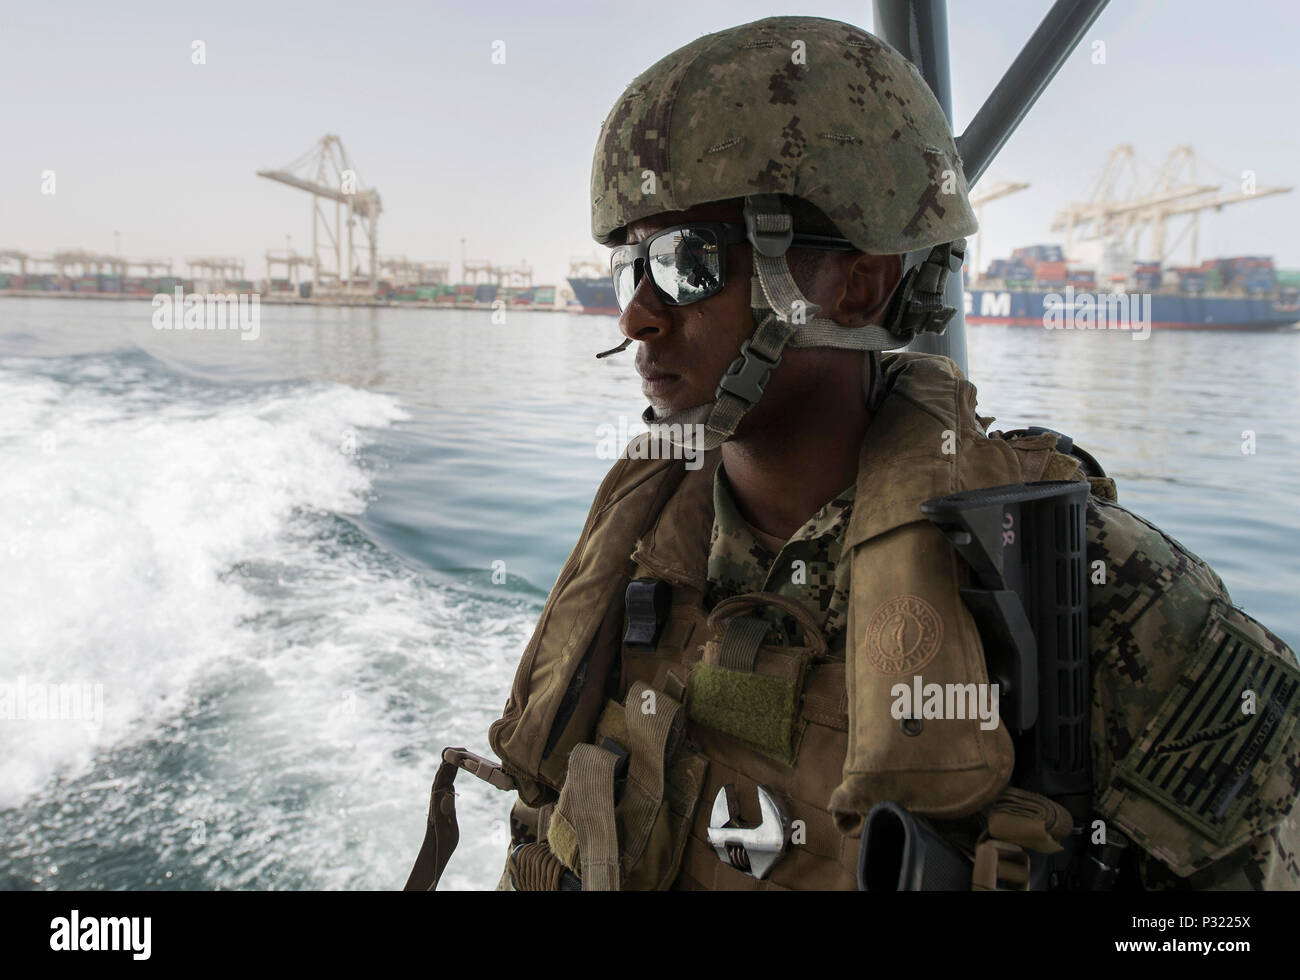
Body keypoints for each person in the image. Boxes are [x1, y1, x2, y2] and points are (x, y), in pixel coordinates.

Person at [408, 15, 1300, 892]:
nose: (636, 314)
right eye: (630, 267)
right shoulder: (643, 538)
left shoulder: (1092, 592)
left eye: (688, 264)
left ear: (857, 284)